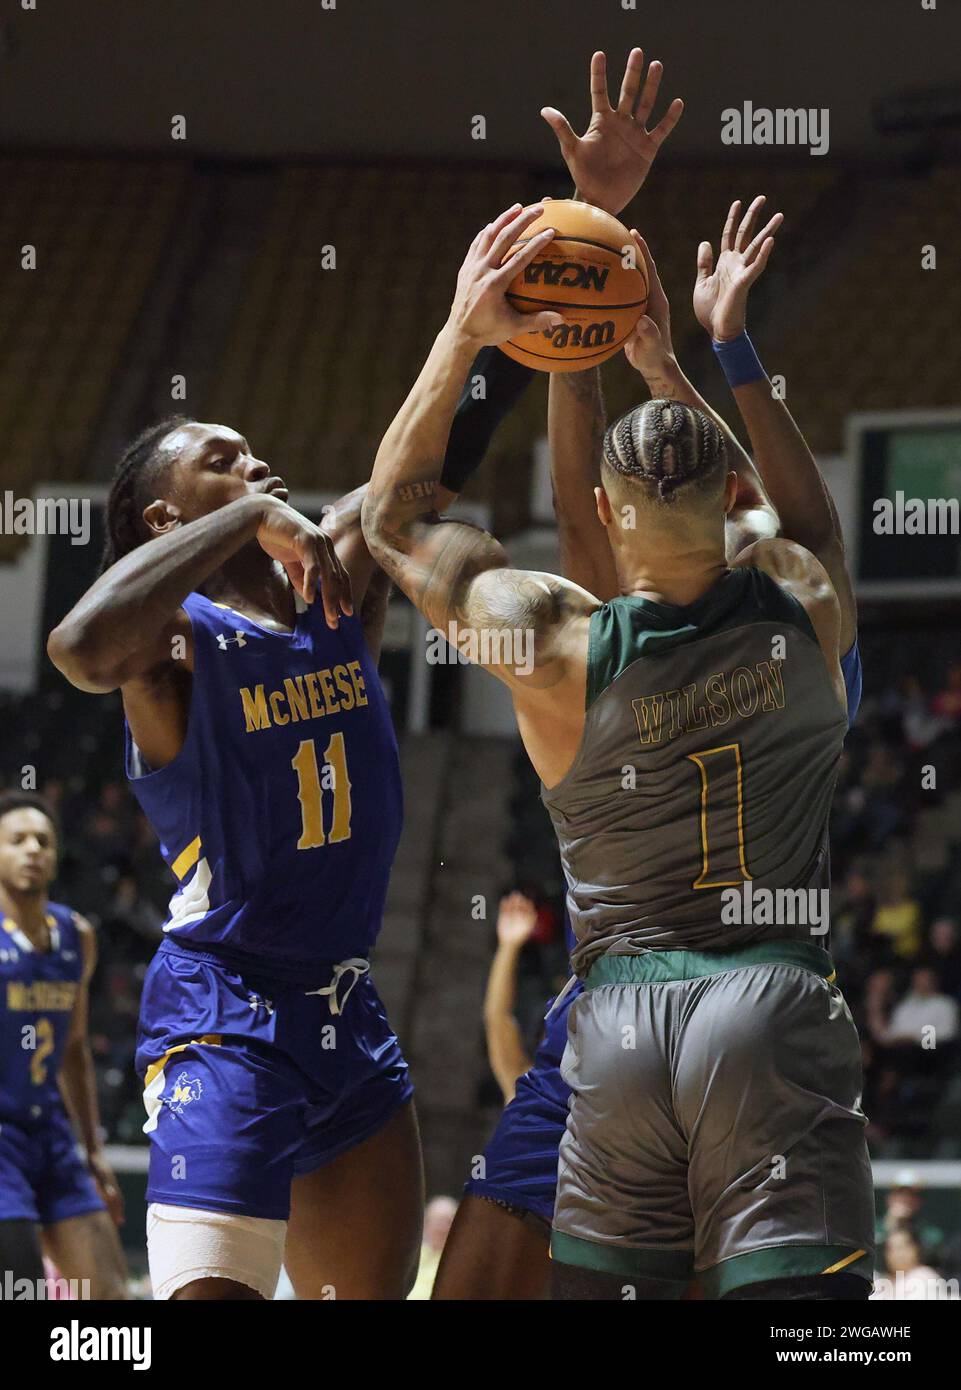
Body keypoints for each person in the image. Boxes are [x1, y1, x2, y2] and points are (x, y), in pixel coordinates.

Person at [362, 190, 875, 1299]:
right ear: (736, 497)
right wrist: (688, 357)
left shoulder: (557, 643)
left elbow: (391, 521)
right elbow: (807, 522)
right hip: (767, 1004)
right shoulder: (806, 605)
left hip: (620, 1025)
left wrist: (467, 329)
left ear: (594, 507)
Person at [0, 791, 128, 1299]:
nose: (33, 849)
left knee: (112, 1299)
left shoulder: (78, 935)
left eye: (43, 841)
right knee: (21, 1289)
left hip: (51, 1135)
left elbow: (74, 1047)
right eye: (17, 840)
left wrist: (93, 1150)